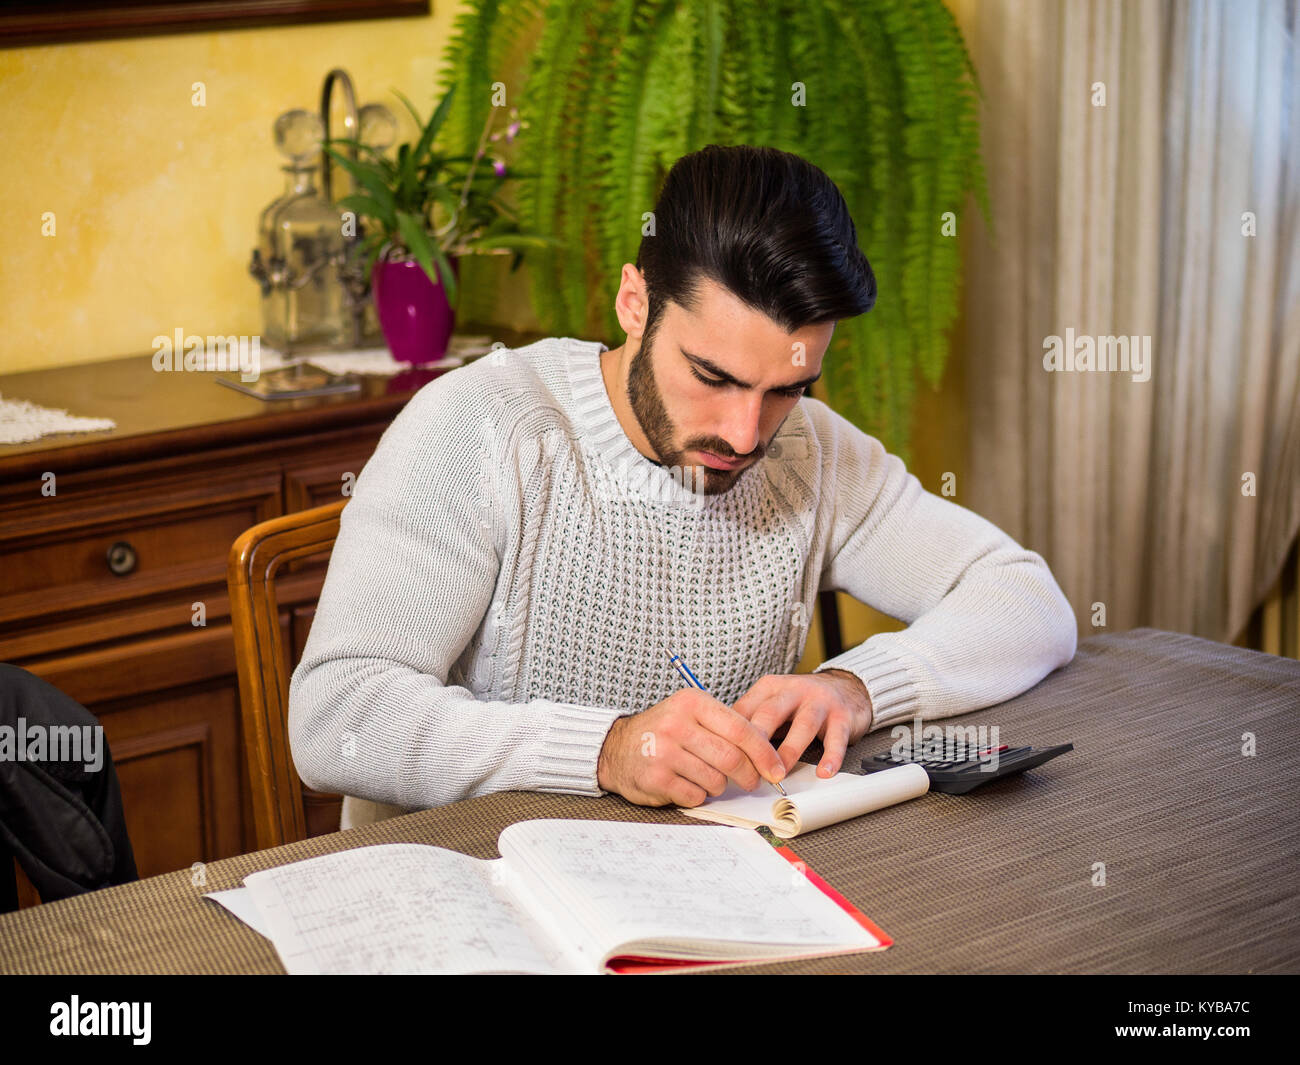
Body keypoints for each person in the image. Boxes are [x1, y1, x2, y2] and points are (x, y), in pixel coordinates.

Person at [288, 144, 1077, 826]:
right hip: (465, 881)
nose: (745, 433)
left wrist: (857, 686)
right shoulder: (479, 429)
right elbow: (336, 715)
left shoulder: (809, 451)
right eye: (713, 376)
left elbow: (1025, 599)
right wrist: (606, 750)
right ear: (636, 303)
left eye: (786, 388)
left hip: (707, 885)